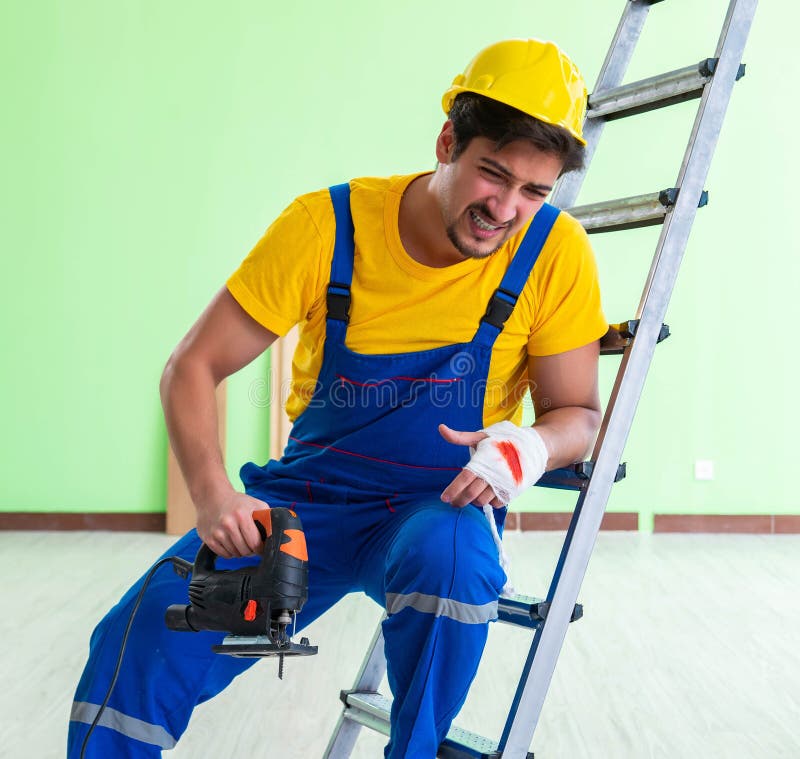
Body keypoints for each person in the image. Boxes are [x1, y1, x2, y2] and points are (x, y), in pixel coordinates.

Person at [68, 38, 606, 758]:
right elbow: (192, 365)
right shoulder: (329, 226)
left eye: (534, 191)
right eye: (492, 175)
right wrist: (213, 495)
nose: (506, 209)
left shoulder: (555, 252)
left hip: (437, 503)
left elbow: (580, 416)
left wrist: (531, 444)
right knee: (142, 633)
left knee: (456, 562)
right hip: (304, 506)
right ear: (448, 141)